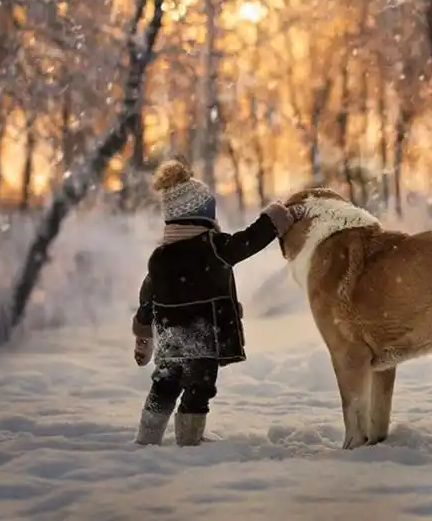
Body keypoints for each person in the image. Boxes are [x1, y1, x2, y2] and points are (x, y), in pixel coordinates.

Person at [131, 157, 306, 446]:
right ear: (205, 215)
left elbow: (147, 295)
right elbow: (249, 240)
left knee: (164, 384)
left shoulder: (160, 257)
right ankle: (189, 439)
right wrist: (276, 217)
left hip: (170, 339)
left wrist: (142, 334)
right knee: (199, 388)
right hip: (203, 338)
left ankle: (147, 437)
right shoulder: (213, 247)